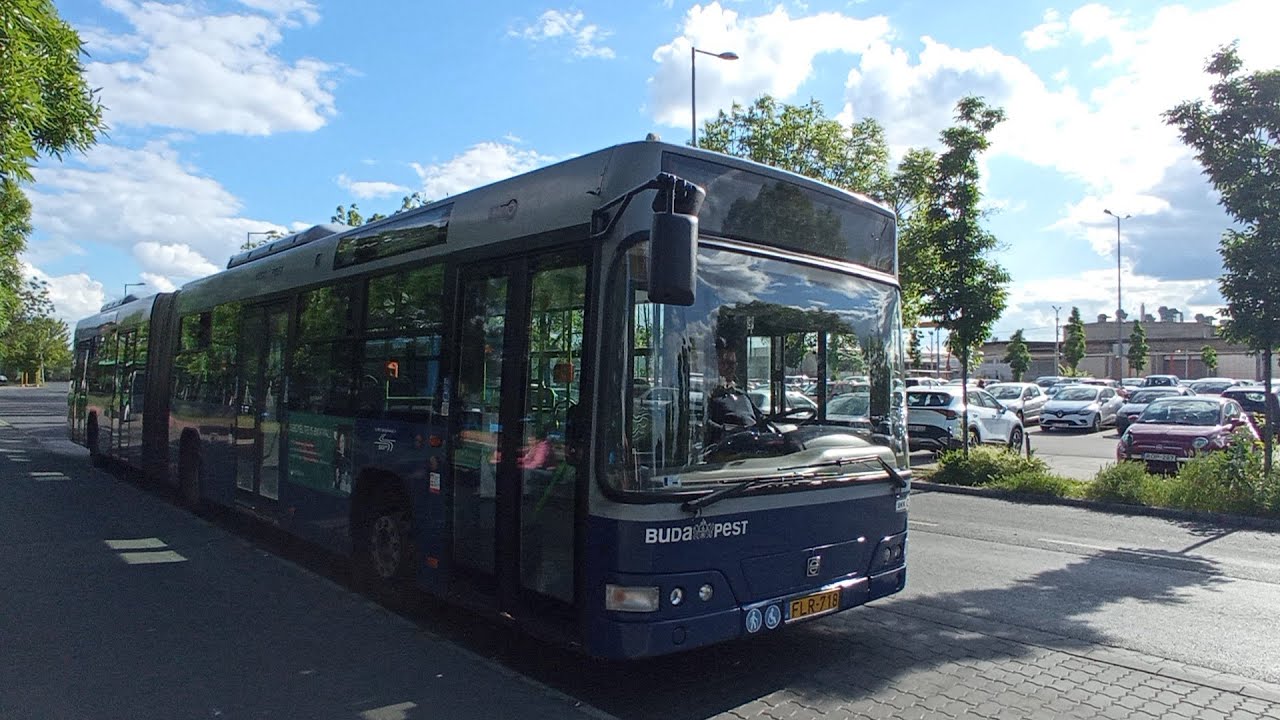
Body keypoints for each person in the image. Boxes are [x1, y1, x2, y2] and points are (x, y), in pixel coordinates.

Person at [705, 338, 764, 447]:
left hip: (754, 445)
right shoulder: (708, 395)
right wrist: (728, 431)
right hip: (729, 448)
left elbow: (761, 420)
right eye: (724, 363)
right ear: (715, 365)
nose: (728, 368)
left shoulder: (741, 394)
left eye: (732, 364)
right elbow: (704, 424)